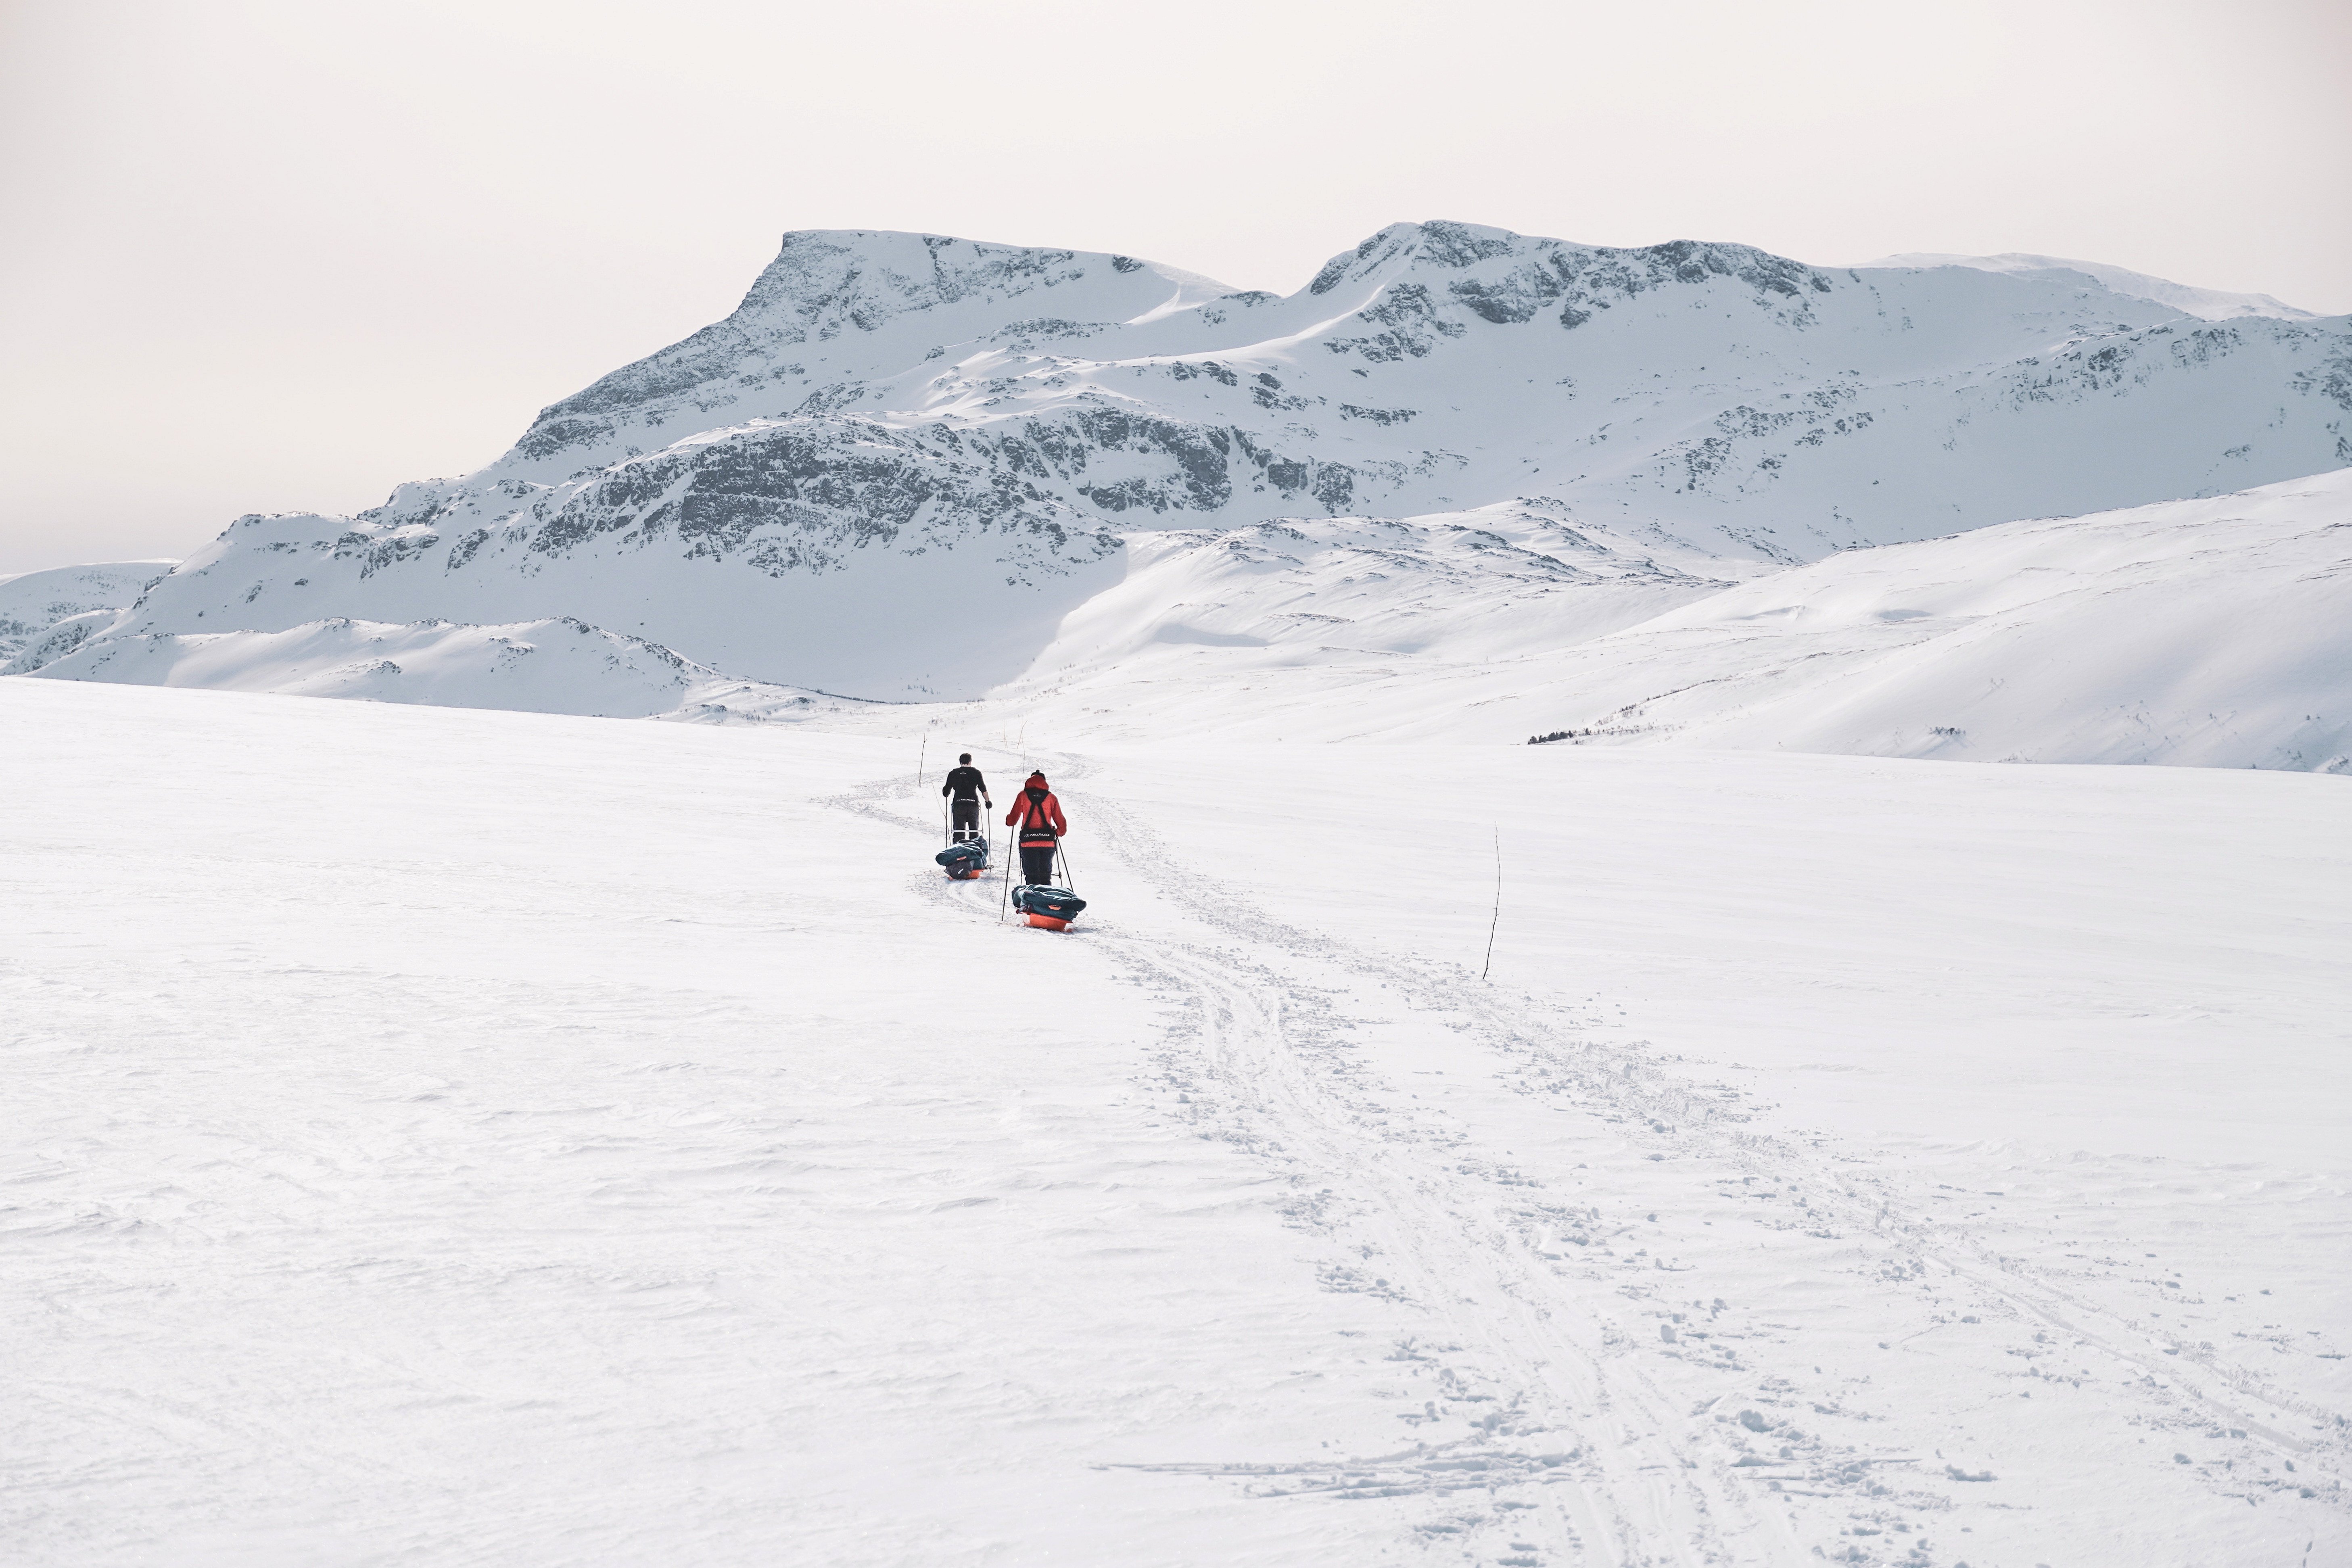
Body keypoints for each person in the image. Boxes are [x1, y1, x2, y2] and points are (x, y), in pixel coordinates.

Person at [1005, 770, 1066, 886]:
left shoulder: (1023, 795)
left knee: (1032, 876)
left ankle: (1032, 902)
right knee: (1045, 877)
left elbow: (1012, 821)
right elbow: (1062, 826)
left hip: (1028, 843)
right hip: (1048, 843)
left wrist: (1008, 819)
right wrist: (1058, 833)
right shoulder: (1051, 798)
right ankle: (1045, 901)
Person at [941, 754, 991, 843]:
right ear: (970, 762)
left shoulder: (953, 773)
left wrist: (946, 791)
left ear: (960, 762)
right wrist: (988, 801)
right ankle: (974, 850)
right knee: (974, 831)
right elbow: (983, 790)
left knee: (959, 832)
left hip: (959, 805)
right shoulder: (977, 773)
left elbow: (946, 792)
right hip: (973, 805)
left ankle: (959, 851)